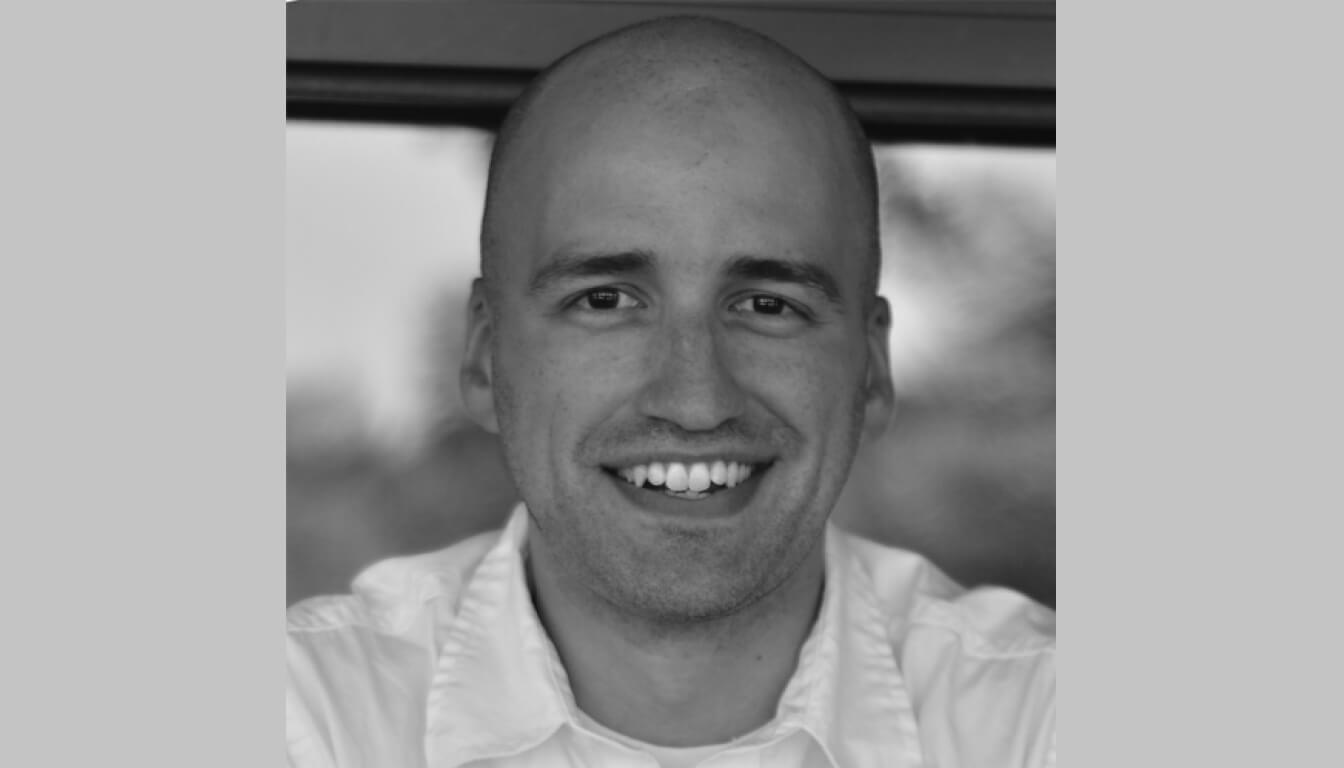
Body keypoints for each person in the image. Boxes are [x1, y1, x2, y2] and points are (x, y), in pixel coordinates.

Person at [287, 15, 1055, 768]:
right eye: (607, 300)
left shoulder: (1044, 720)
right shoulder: (302, 719)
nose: (694, 399)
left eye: (767, 306)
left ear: (871, 370)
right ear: (488, 358)